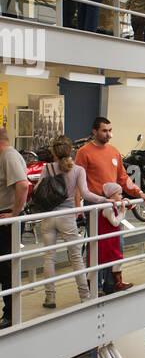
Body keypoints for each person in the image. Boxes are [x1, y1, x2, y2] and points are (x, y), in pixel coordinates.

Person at [39, 135, 102, 309]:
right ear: (71, 150)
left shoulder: (47, 168)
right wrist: (106, 199)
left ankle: (50, 297)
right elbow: (86, 194)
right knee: (76, 258)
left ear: (53, 151)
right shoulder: (78, 170)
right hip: (67, 217)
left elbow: (38, 190)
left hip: (49, 217)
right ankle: (84, 296)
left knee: (49, 258)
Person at [0, 125, 28, 327]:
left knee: (6, 268)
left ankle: (10, 314)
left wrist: (14, 213)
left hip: (7, 219)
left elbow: (23, 184)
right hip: (4, 217)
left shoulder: (9, 156)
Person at [98, 183, 129, 295]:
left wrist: (122, 207)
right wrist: (122, 210)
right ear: (111, 195)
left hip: (111, 239)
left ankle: (116, 282)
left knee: (115, 259)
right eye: (119, 194)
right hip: (108, 240)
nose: (121, 196)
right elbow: (115, 222)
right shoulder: (107, 208)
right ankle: (116, 283)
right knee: (116, 258)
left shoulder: (112, 206)